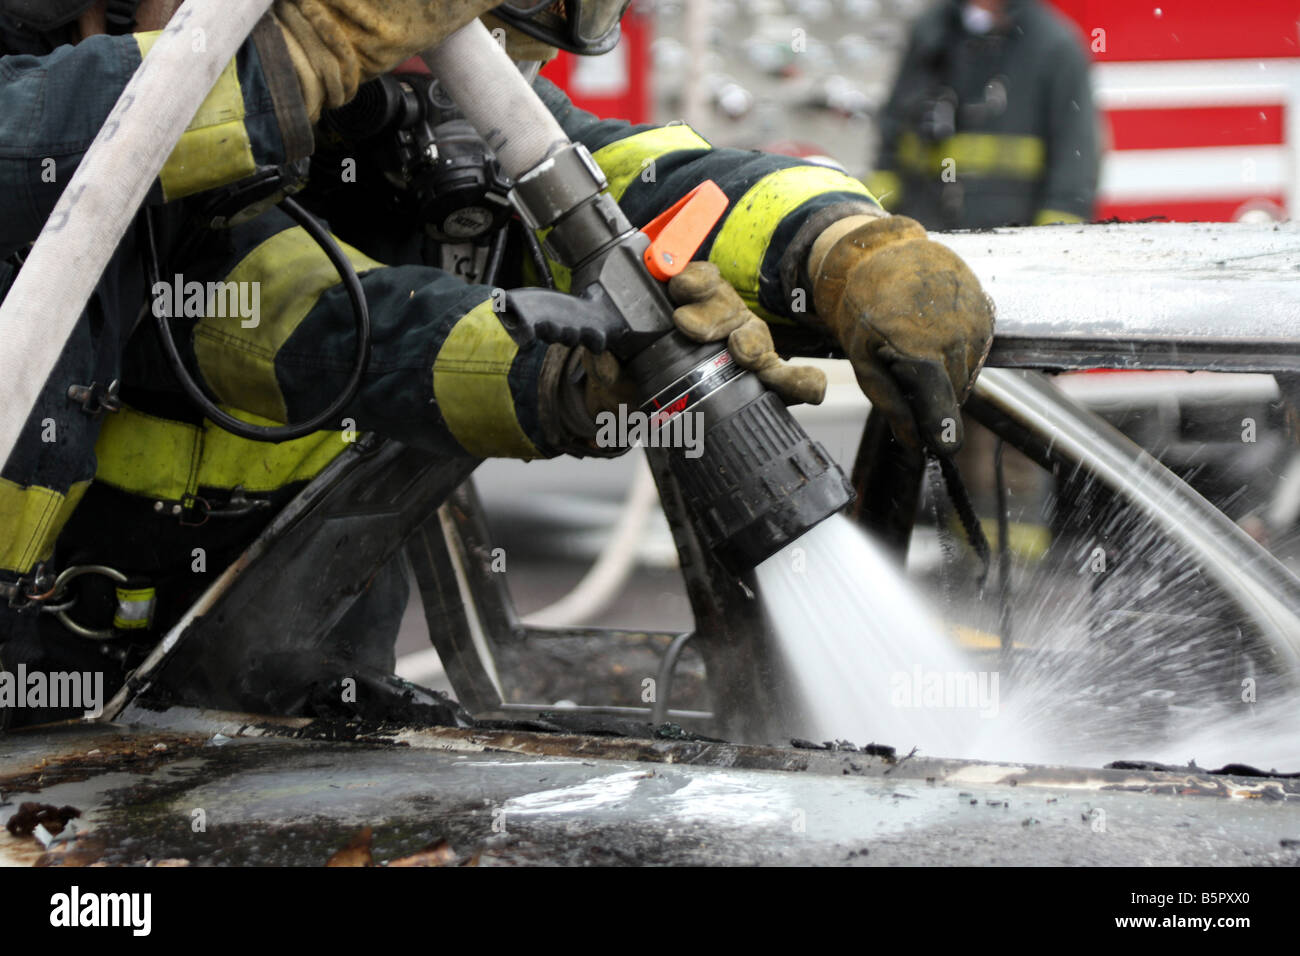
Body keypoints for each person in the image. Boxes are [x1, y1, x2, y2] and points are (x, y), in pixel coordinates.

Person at [0, 0, 994, 725]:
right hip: (46, 708)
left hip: (281, 708)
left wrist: (839, 248)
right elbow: (299, 318)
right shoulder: (70, 120)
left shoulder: (389, 134)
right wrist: (292, 59)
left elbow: (626, 182)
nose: (467, 63)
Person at [868, 0, 1099, 229]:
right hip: (925, 230)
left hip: (1012, 241)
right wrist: (878, 214)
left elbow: (1076, 152)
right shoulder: (930, 29)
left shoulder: (1054, 45)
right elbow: (894, 126)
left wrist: (1054, 237)